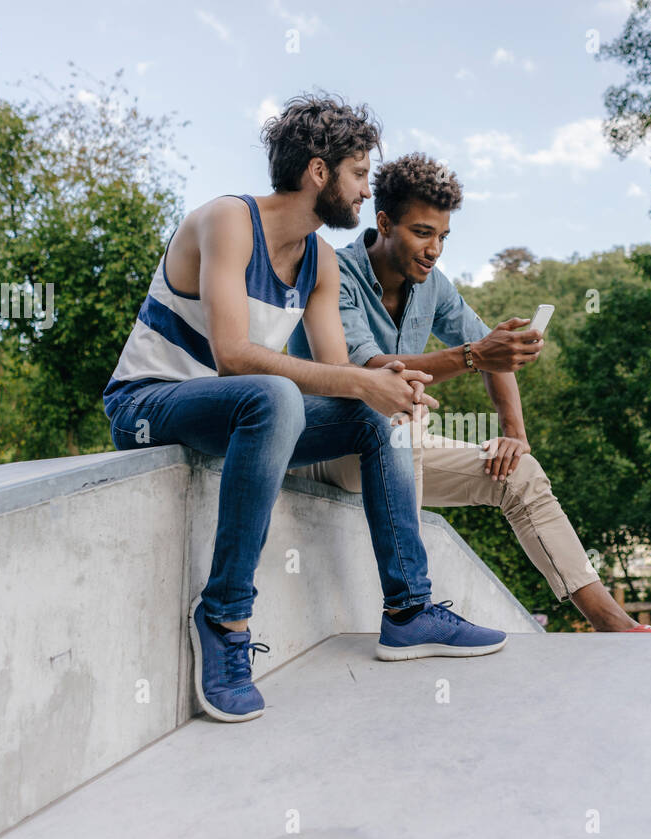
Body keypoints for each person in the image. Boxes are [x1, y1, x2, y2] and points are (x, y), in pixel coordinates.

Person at [102, 99, 506, 724]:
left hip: (242, 416)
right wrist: (359, 381)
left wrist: (388, 388)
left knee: (374, 419)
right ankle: (224, 617)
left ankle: (408, 609)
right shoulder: (228, 221)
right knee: (272, 392)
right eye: (359, 174)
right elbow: (234, 356)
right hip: (148, 403)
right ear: (319, 171)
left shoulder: (319, 261)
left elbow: (339, 379)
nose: (367, 190)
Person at [287, 152, 651, 633]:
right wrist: (474, 355)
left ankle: (614, 624)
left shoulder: (433, 286)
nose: (434, 249)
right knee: (405, 410)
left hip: (396, 451)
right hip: (328, 447)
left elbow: (491, 353)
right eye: (422, 232)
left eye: (443, 237)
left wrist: (514, 433)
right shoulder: (334, 271)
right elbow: (372, 370)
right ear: (384, 223)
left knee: (518, 474)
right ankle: (411, 608)